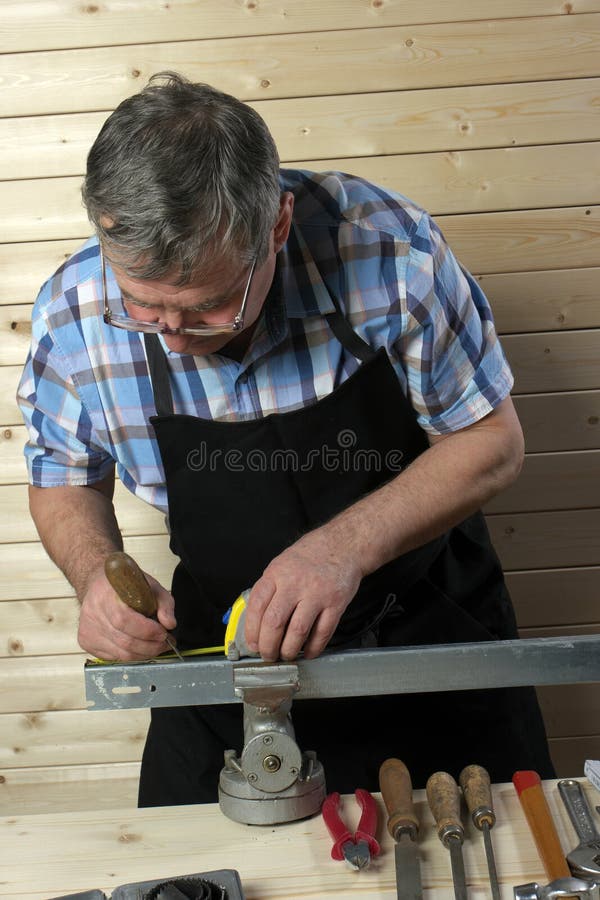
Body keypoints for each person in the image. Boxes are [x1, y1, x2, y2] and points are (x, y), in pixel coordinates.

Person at [17, 72, 554, 805]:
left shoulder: (389, 254)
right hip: (224, 656)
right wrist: (93, 574)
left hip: (426, 627)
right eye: (141, 309)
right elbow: (63, 479)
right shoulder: (71, 314)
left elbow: (493, 442)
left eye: (208, 306)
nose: (172, 338)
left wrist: (342, 549)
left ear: (276, 225)